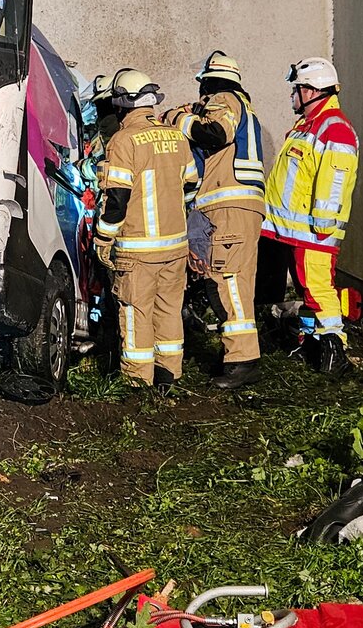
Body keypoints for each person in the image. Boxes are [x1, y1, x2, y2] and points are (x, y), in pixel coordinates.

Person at [95, 69, 198, 391]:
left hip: (138, 251)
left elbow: (117, 199)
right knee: (168, 312)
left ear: (122, 105)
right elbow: (191, 187)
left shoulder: (123, 141)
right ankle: (168, 377)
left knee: (136, 313)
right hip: (175, 248)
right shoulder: (176, 137)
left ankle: (138, 384)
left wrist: (103, 237)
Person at [263, 56, 360, 374]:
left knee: (319, 289)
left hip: (312, 232)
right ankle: (312, 344)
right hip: (294, 231)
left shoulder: (335, 128)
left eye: (298, 89)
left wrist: (322, 224)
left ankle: (336, 352)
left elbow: (335, 179)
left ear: (311, 90)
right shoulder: (308, 125)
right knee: (308, 291)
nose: (293, 95)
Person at [182, 52, 268, 388]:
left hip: (229, 208)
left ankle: (242, 361)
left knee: (227, 282)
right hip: (237, 208)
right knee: (232, 282)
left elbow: (216, 134)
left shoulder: (224, 99)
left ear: (209, 82)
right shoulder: (245, 106)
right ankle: (238, 356)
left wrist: (180, 120)